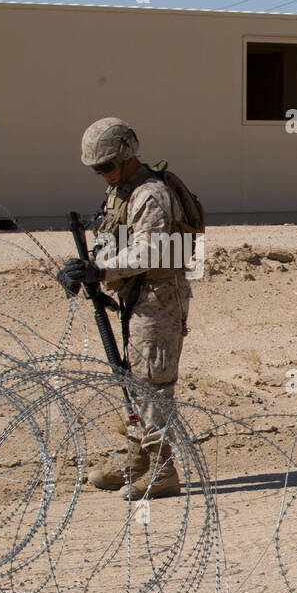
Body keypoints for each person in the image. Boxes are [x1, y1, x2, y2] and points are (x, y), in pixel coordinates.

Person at [58, 117, 193, 500]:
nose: (103, 175)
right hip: (133, 295)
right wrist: (82, 270)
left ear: (127, 154)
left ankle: (163, 471)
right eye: (96, 170)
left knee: (153, 383)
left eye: (107, 166)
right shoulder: (120, 192)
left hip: (160, 299)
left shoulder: (150, 194)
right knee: (133, 378)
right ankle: (137, 462)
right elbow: (110, 238)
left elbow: (151, 249)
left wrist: (100, 270)